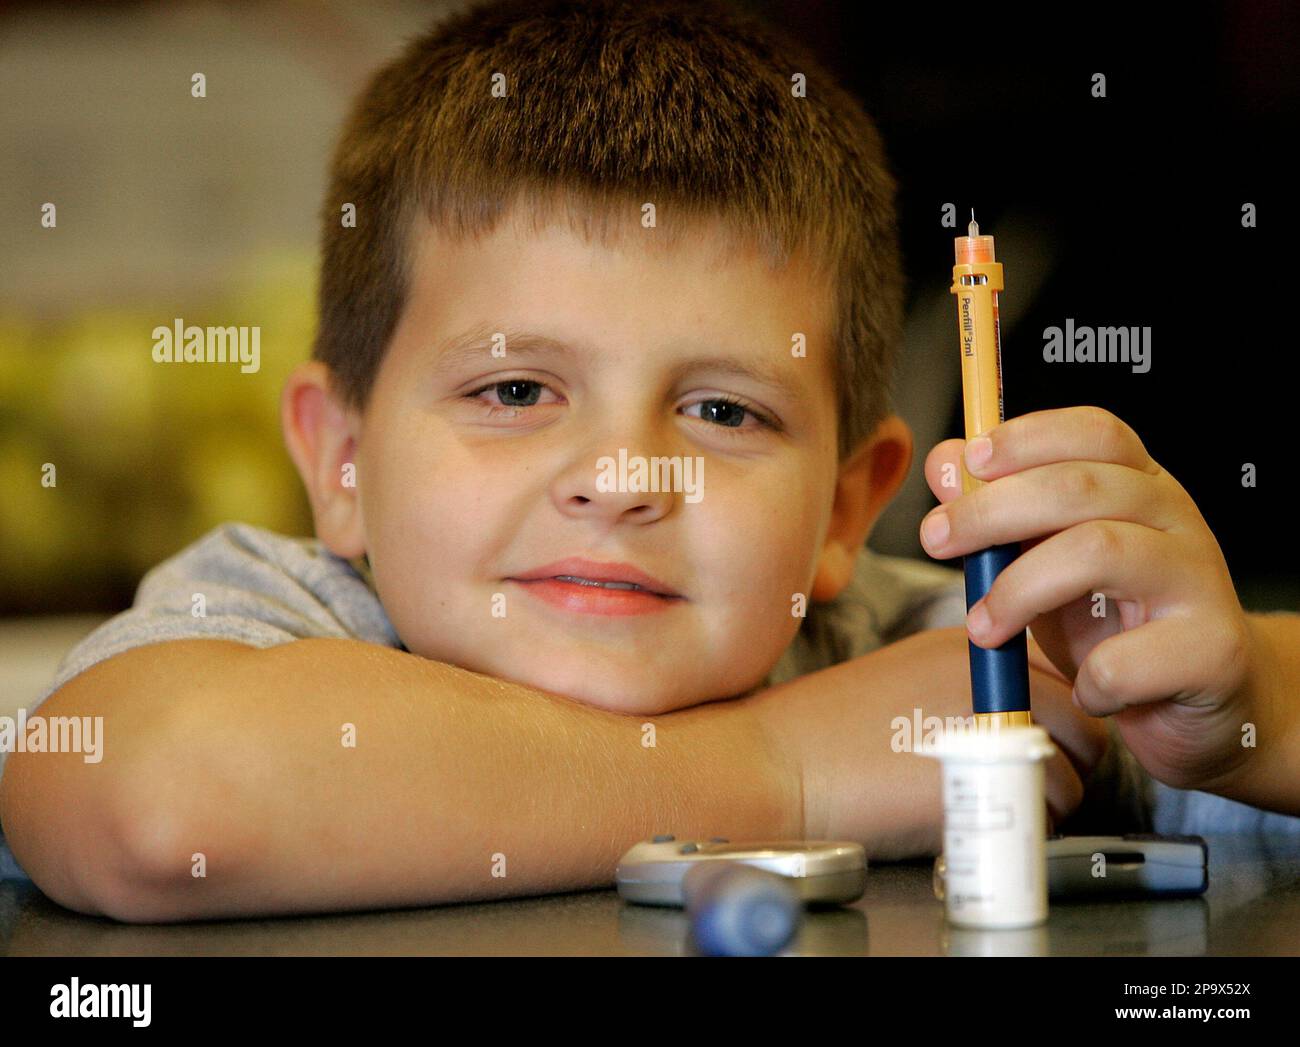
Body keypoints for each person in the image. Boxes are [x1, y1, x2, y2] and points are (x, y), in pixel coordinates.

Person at [2, 0, 1296, 923]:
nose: (627, 478)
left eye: (725, 415)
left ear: (851, 503)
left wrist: (1243, 708)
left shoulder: (929, 658)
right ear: (340, 463)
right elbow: (150, 801)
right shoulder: (282, 624)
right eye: (516, 389)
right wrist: (785, 772)